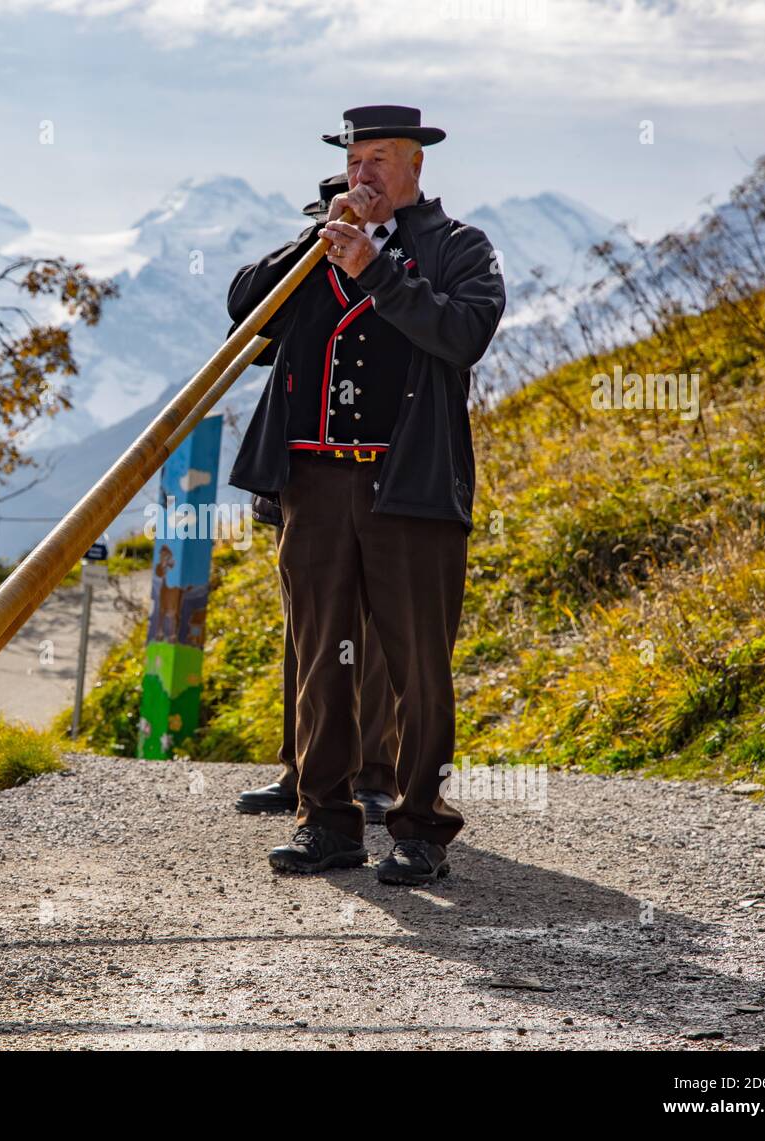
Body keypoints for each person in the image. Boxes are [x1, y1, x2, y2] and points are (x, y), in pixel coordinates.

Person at [227, 105, 506, 884]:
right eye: (355, 159)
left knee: (419, 664)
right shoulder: (315, 250)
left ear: (416, 167)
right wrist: (313, 244)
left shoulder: (458, 249)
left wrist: (375, 273)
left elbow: (461, 335)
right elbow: (244, 317)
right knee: (320, 657)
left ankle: (420, 827)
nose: (364, 174)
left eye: (380, 158)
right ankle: (328, 822)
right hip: (314, 484)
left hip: (406, 485)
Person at [235, 173, 398, 826]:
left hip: (384, 477)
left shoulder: (402, 278)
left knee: (378, 635)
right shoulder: (305, 279)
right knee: (306, 634)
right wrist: (310, 244)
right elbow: (248, 320)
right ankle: (300, 768)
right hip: (301, 476)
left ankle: (375, 774)